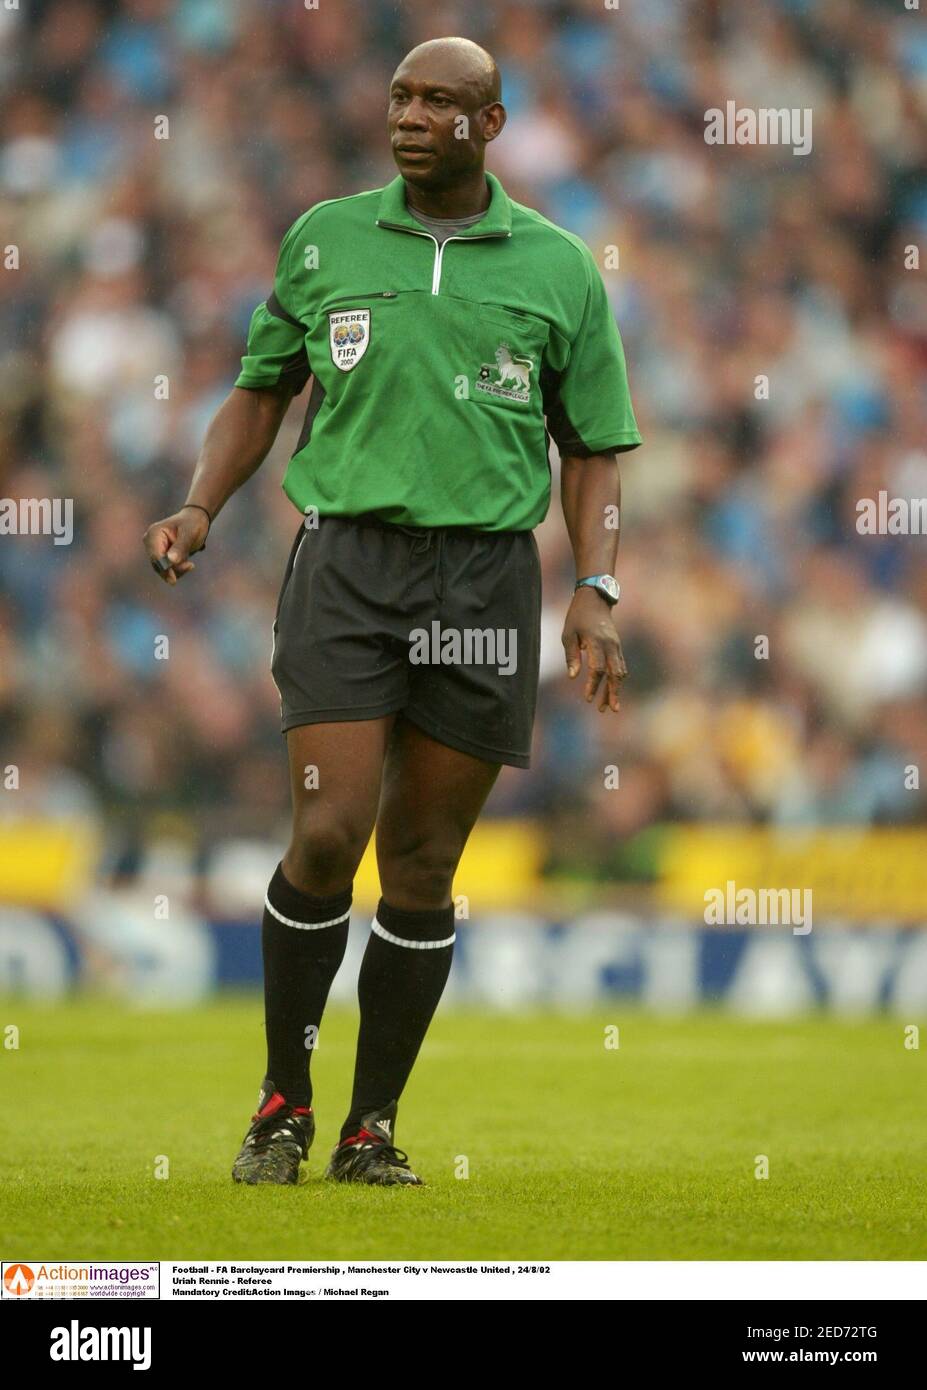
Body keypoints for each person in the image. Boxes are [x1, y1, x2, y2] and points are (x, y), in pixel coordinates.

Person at [143, 36, 641, 1187]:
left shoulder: (560, 267)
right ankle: (283, 1101)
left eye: (438, 102)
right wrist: (199, 504)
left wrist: (596, 587)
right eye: (400, 96)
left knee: (422, 863)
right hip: (348, 568)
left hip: (484, 578)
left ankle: (372, 1127)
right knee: (329, 831)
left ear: (492, 124)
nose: (410, 116)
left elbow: (596, 452)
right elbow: (260, 390)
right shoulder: (325, 236)